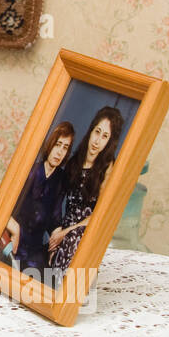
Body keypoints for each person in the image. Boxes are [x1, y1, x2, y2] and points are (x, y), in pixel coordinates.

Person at [47, 107, 124, 277]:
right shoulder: (74, 161)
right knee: (54, 248)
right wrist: (56, 235)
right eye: (97, 132)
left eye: (105, 136)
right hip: (65, 227)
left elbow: (100, 213)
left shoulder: (108, 166)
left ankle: (63, 295)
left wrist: (65, 234)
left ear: (109, 142)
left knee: (73, 238)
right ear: (91, 131)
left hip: (86, 228)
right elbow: (57, 202)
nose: (97, 141)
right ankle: (52, 292)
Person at [0, 122, 74, 278]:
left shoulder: (61, 179)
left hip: (35, 251)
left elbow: (55, 219)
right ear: (50, 144)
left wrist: (56, 244)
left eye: (65, 147)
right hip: (12, 243)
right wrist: (15, 228)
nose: (60, 152)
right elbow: (1, 207)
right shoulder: (29, 171)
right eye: (58, 144)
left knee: (40, 286)